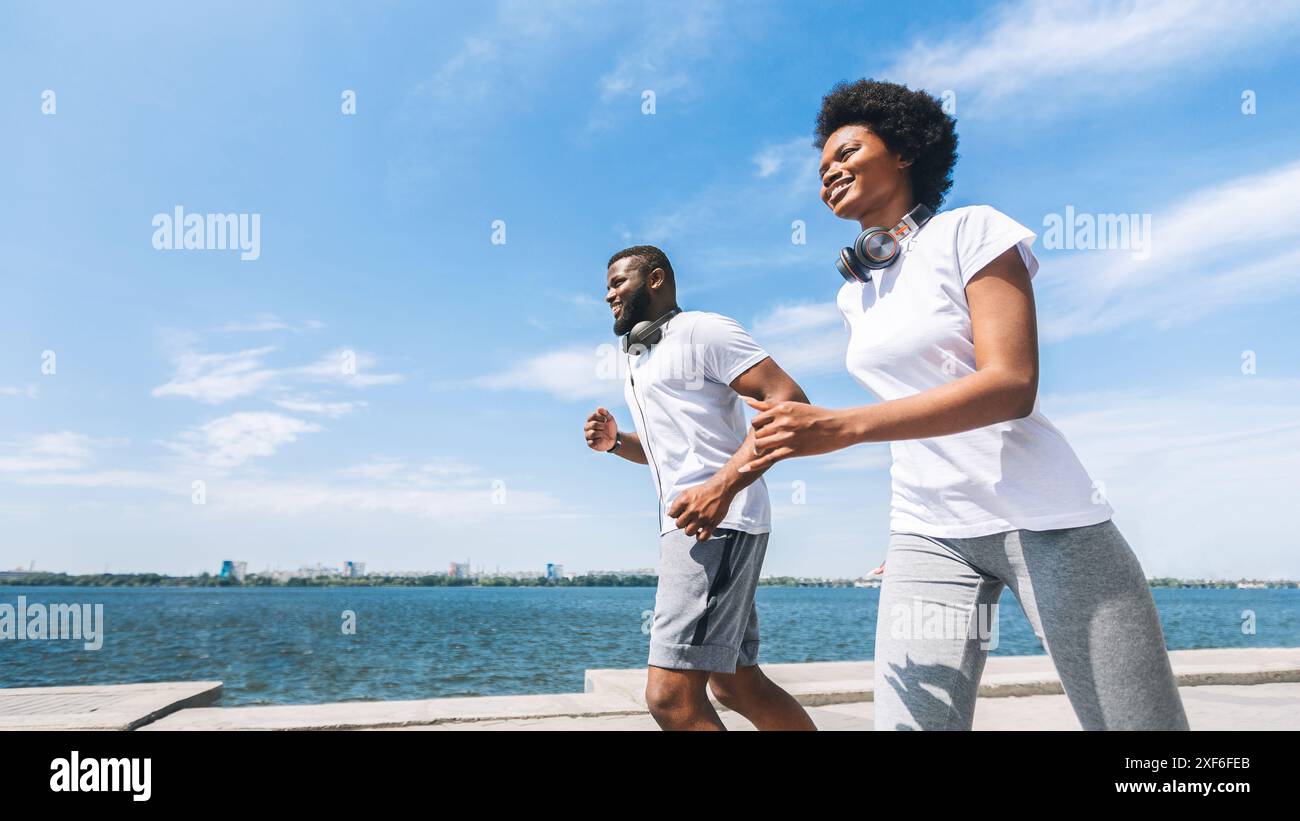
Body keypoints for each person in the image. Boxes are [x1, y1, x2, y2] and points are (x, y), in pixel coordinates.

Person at [736, 80, 1189, 731]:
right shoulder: (854, 297)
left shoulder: (971, 230)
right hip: (928, 530)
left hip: (1047, 515)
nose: (829, 171)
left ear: (903, 153)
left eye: (847, 150)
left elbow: (1011, 383)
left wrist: (844, 426)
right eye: (821, 166)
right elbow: (910, 413)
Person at [584, 244, 816, 731]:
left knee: (670, 697)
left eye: (617, 283)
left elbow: (790, 402)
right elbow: (670, 450)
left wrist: (722, 488)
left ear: (655, 279)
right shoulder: (642, 358)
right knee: (737, 683)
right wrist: (616, 443)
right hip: (696, 524)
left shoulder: (704, 331)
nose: (608, 295)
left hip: (718, 526)